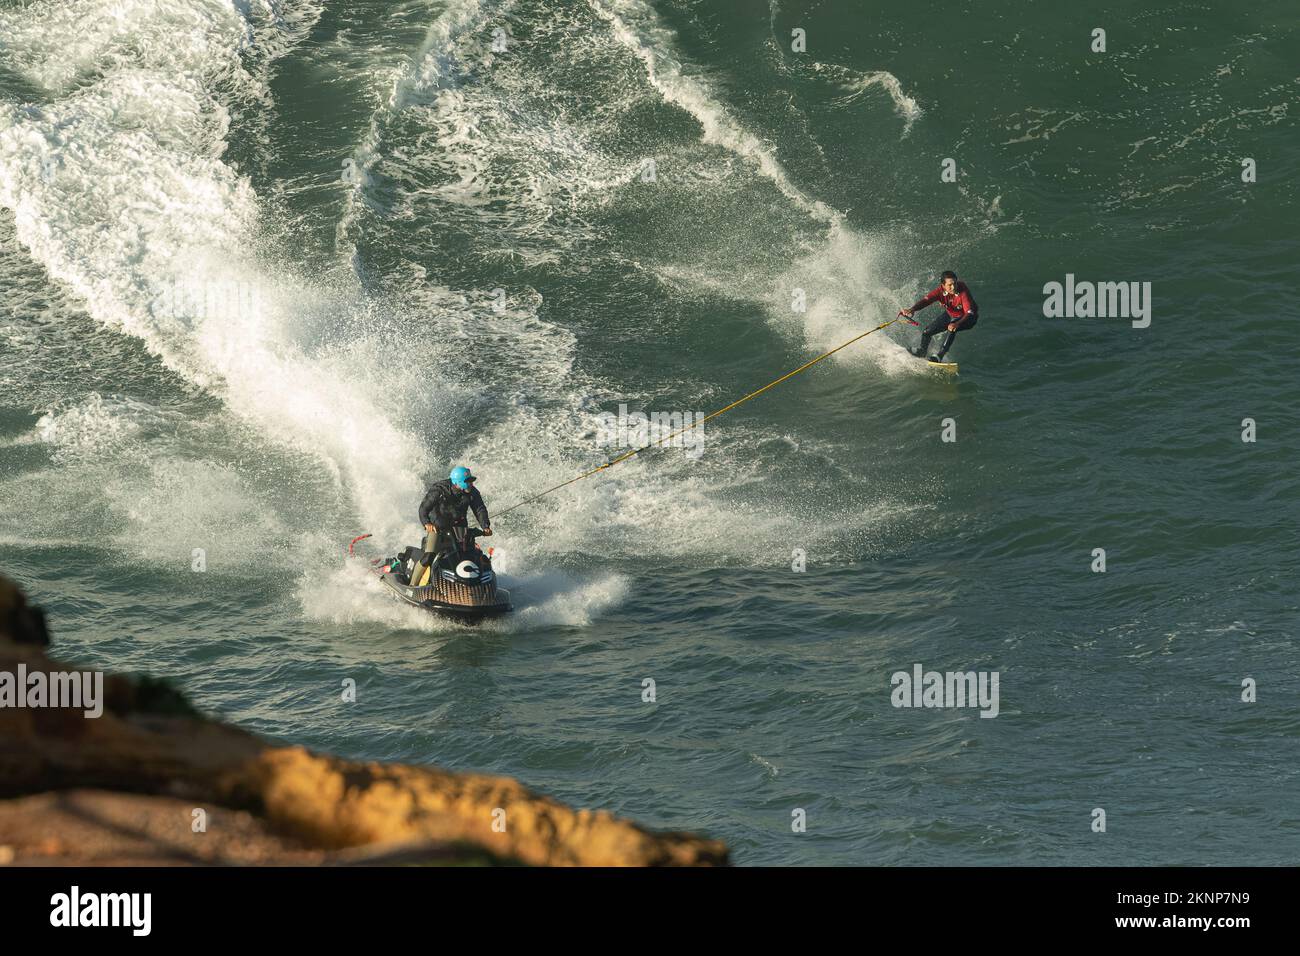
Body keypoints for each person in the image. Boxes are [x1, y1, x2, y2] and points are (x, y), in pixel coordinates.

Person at [899, 270, 978, 362]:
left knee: (952, 328)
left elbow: (969, 312)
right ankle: (922, 351)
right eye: (950, 285)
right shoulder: (939, 292)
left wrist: (957, 324)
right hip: (950, 315)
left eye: (955, 283)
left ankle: (939, 356)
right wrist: (912, 309)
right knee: (926, 332)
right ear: (943, 285)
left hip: (968, 318)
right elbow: (926, 300)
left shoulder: (962, 290)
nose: (953, 287)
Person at [417, 465, 492, 559]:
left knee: (471, 556)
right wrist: (427, 523)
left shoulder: (472, 492)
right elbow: (423, 509)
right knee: (428, 558)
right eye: (467, 482)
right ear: (457, 482)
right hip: (437, 528)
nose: (471, 484)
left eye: (471, 481)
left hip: (460, 528)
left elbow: (479, 509)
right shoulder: (439, 489)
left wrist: (485, 526)